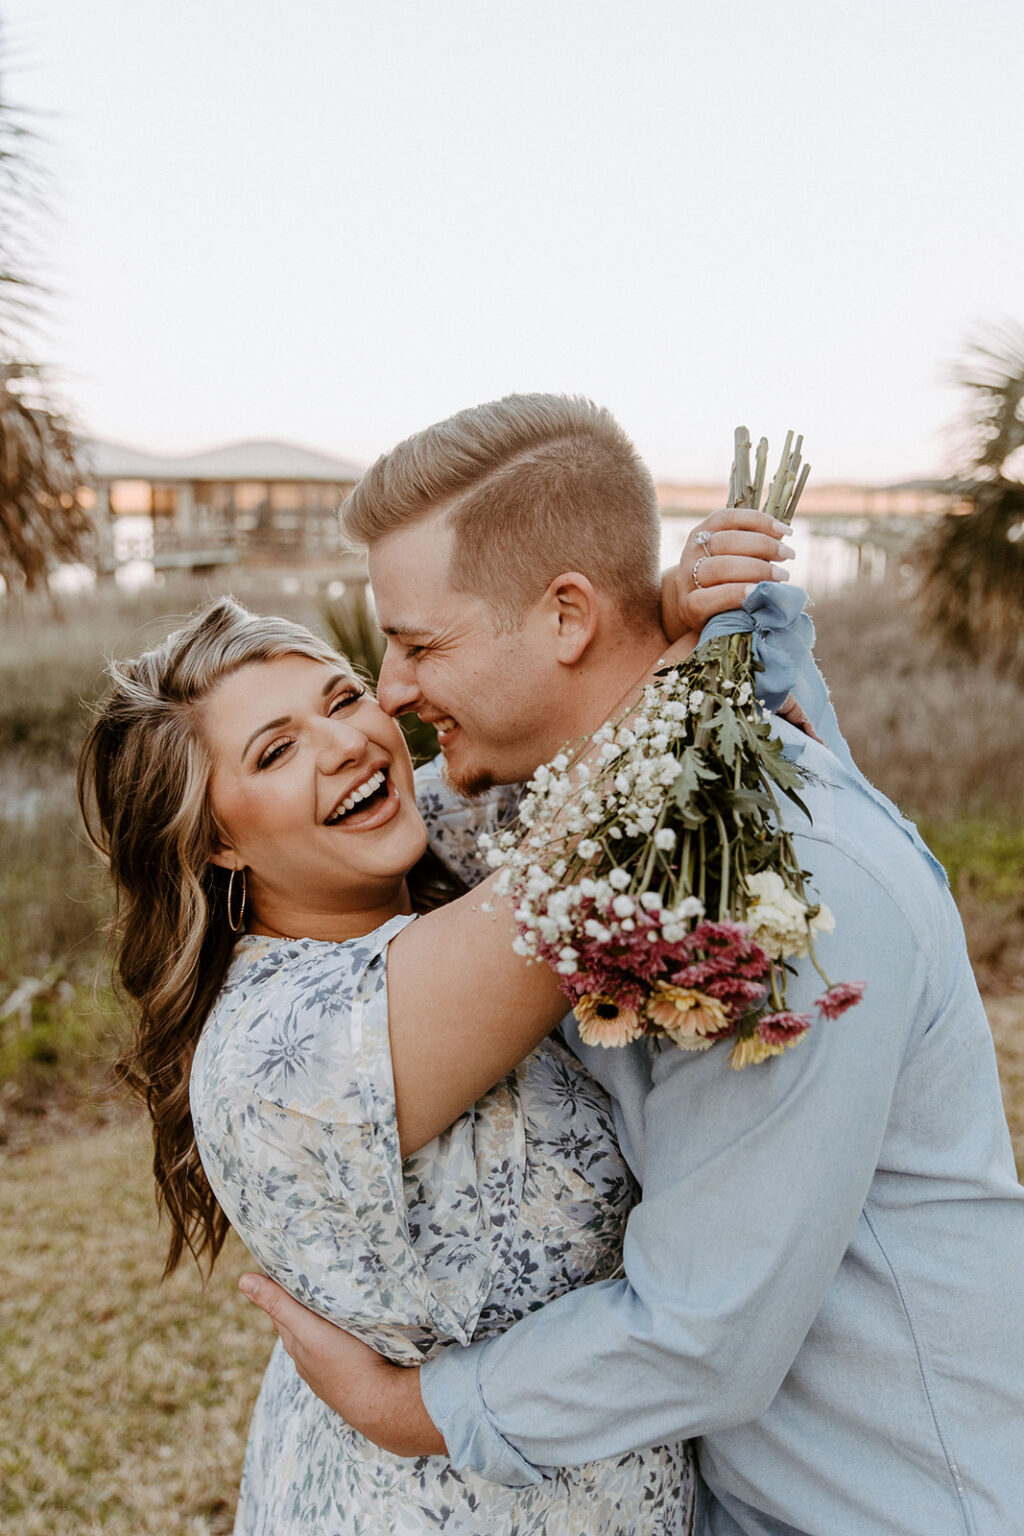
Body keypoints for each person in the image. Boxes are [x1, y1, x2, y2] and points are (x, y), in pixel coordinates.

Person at [239, 393, 1024, 1536]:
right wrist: (672, 629)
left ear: (565, 617)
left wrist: (412, 1409)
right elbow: (422, 847)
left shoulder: (775, 887)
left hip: (886, 1496)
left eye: (417, 643)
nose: (394, 691)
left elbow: (702, 1332)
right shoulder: (594, 815)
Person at [79, 407, 792, 1534]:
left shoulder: (449, 848)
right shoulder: (277, 1049)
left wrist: (638, 611)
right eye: (274, 751)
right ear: (216, 841)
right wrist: (663, 631)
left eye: (339, 696)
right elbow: (593, 831)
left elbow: (561, 713)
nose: (353, 740)